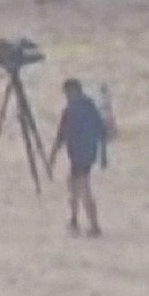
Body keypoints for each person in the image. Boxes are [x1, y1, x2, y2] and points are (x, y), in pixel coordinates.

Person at [48, 78, 110, 237]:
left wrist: (52, 157)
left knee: (82, 187)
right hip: (87, 153)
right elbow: (102, 132)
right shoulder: (90, 107)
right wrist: (103, 156)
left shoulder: (71, 110)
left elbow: (60, 136)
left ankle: (93, 225)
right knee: (74, 185)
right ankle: (74, 219)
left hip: (79, 154)